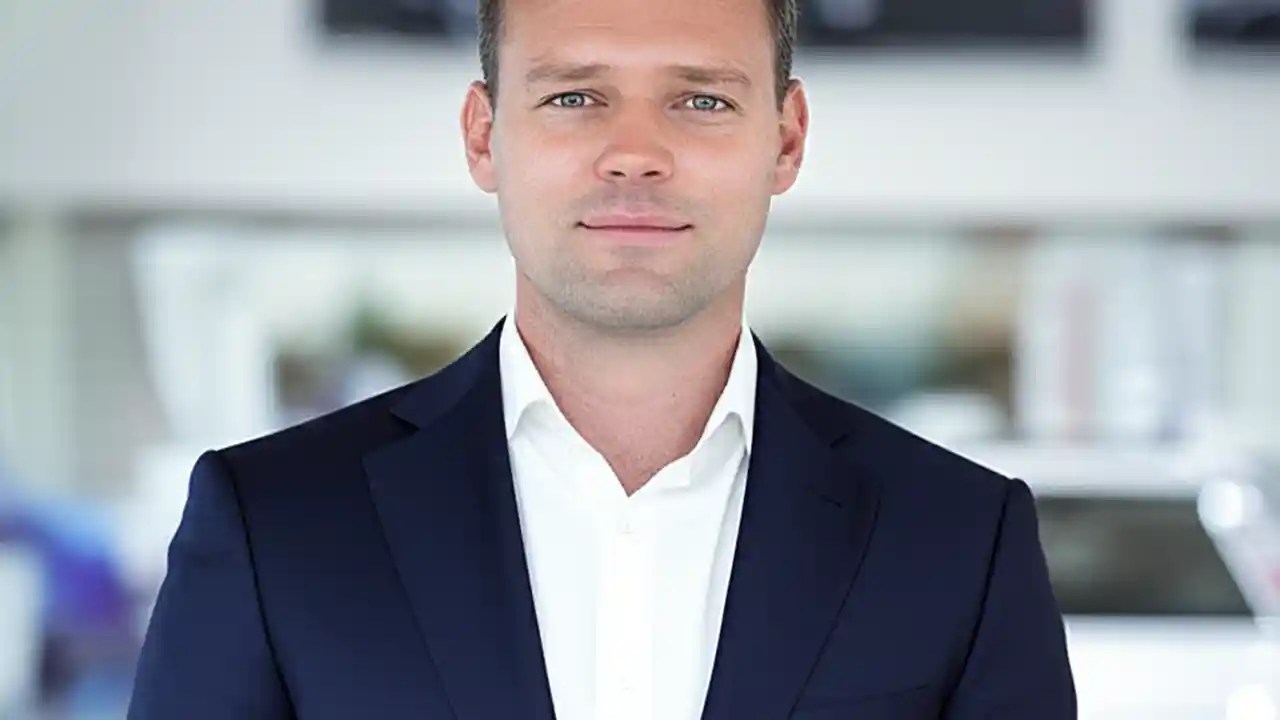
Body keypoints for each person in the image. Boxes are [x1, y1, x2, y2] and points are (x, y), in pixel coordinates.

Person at [128, 0, 1076, 717]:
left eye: (700, 98)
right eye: (575, 96)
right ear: (482, 134)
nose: (634, 154)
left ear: (785, 140)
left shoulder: (960, 541)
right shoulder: (275, 525)